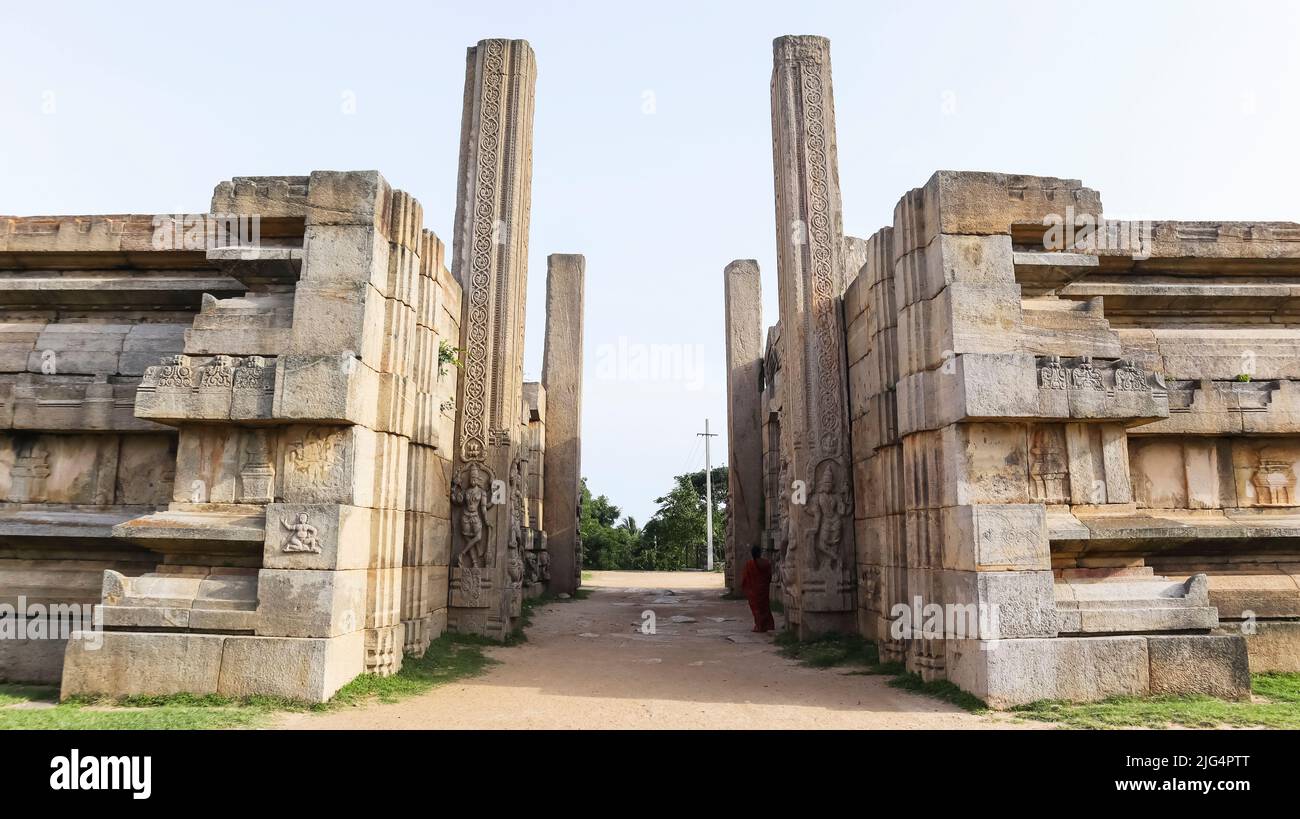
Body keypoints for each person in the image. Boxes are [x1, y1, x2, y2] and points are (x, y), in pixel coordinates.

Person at [740, 544, 775, 633]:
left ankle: (759, 626)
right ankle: (768, 625)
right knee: (765, 607)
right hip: (763, 588)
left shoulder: (749, 564)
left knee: (757, 609)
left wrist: (745, 588)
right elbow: (769, 576)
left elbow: (745, 578)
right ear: (760, 553)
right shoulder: (766, 563)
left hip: (754, 590)